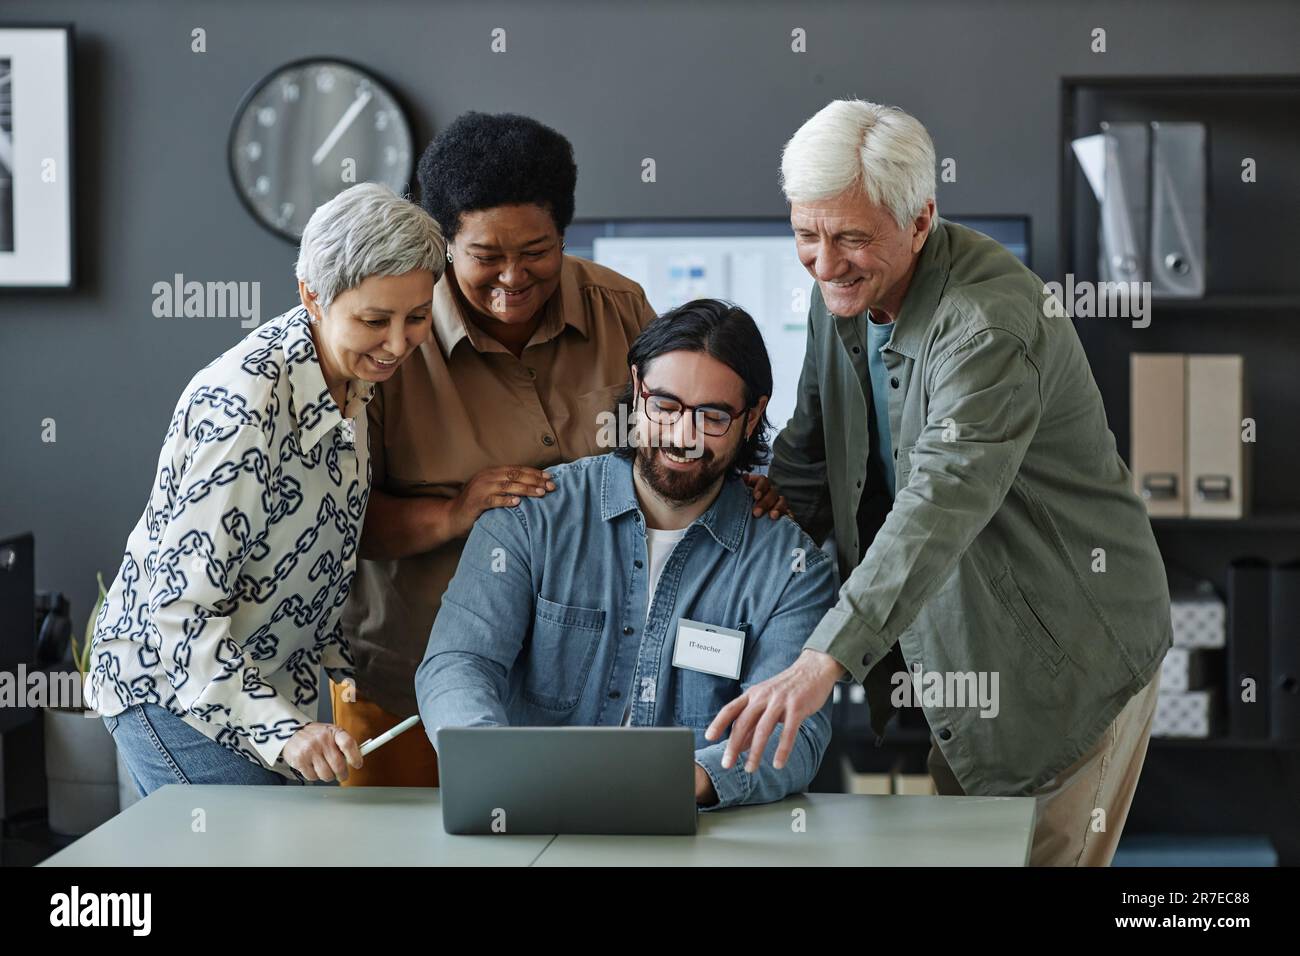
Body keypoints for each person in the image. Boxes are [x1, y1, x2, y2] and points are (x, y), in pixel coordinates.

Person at [715, 100, 1170, 864]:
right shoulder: (847, 291)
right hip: (959, 642)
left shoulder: (987, 326)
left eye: (850, 238)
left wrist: (822, 661)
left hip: (1063, 661)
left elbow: (938, 502)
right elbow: (809, 447)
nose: (825, 264)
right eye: (806, 235)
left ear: (920, 220)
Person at [87, 183, 446, 792]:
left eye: (416, 318)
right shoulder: (244, 406)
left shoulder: (353, 381)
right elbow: (176, 614)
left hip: (270, 687)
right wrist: (280, 730)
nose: (397, 343)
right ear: (312, 295)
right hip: (173, 691)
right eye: (373, 320)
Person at [336, 112, 660, 786]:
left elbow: (671, 451)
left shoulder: (621, 309)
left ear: (563, 235)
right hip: (407, 693)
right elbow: (341, 525)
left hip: (586, 690)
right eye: (486, 255)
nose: (513, 277)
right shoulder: (392, 339)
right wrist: (454, 511)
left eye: (536, 251)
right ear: (444, 242)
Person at [416, 300, 837, 808]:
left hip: (698, 834)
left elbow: (794, 734)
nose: (684, 437)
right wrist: (493, 762)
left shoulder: (792, 570)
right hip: (529, 811)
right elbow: (458, 663)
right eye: (665, 406)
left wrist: (686, 783)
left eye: (713, 416)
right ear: (637, 390)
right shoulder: (530, 519)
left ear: (752, 419)